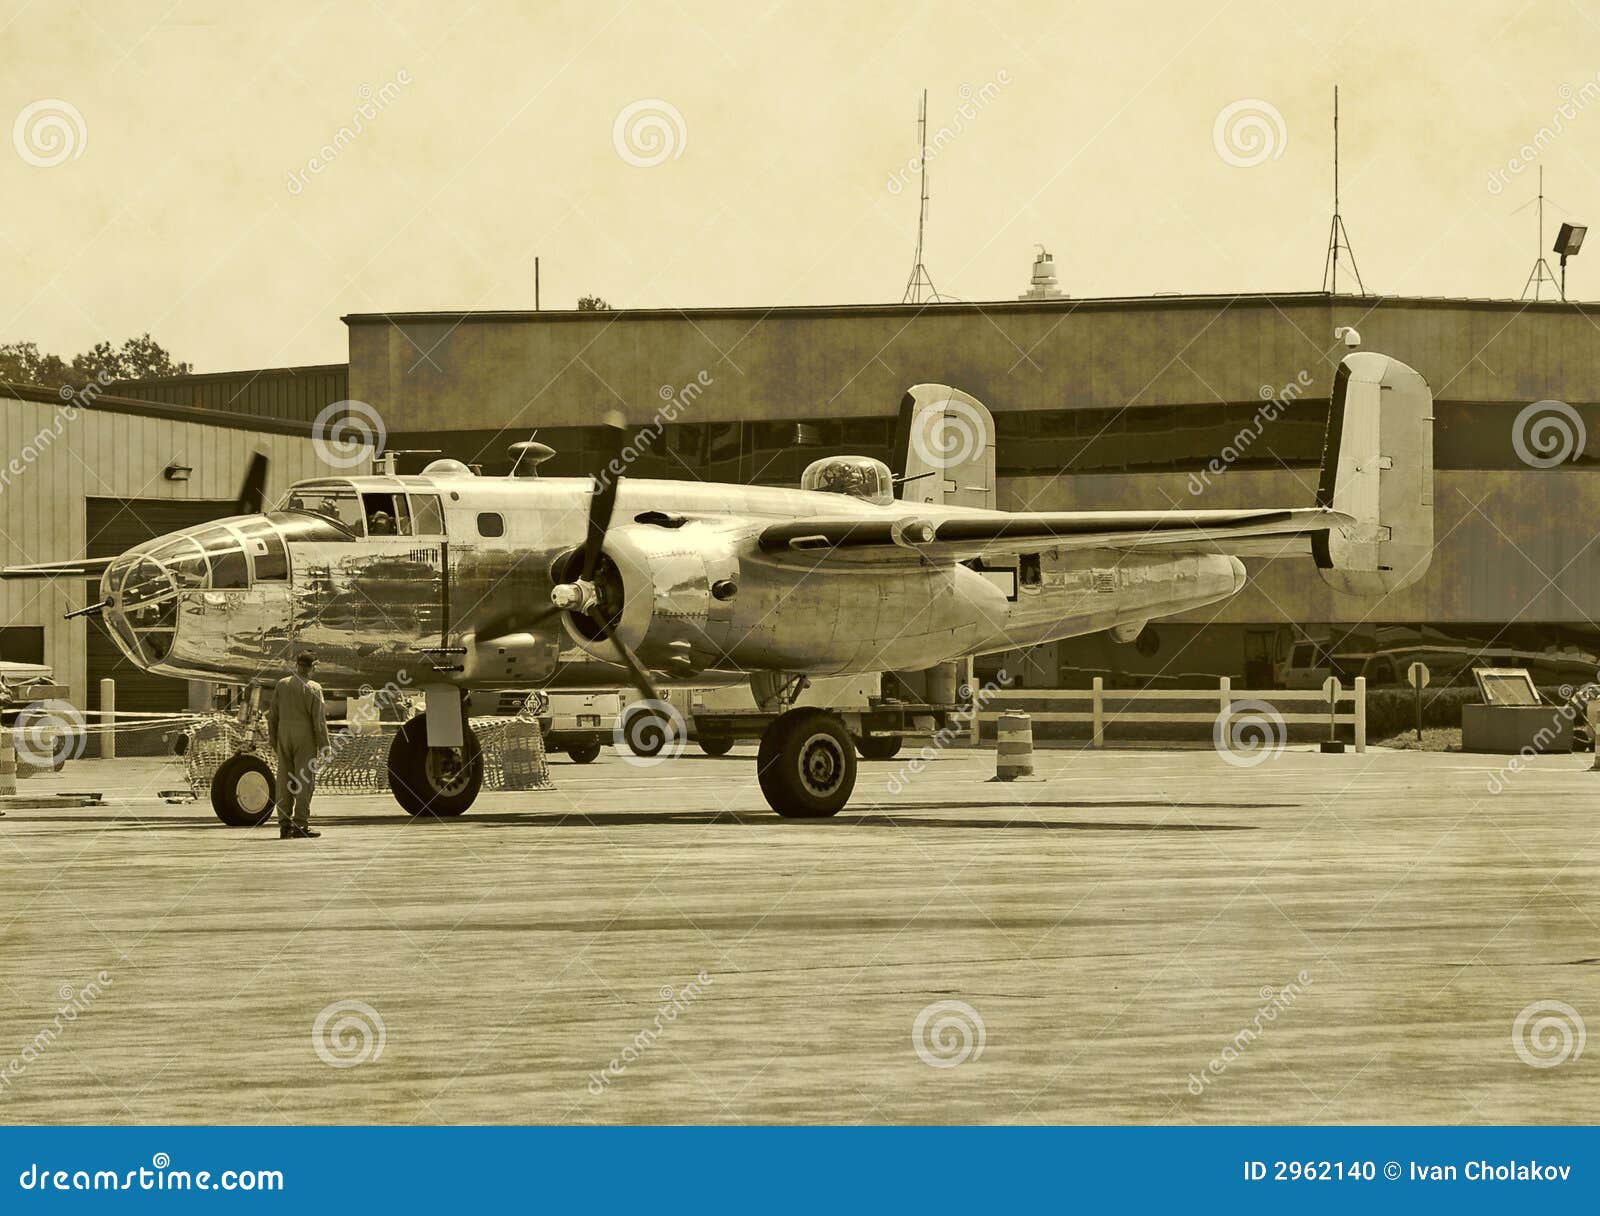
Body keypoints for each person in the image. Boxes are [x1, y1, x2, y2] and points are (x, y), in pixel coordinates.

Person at [267, 651, 329, 839]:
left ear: (297, 666)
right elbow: (319, 721)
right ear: (312, 667)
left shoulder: (282, 684)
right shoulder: (314, 688)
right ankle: (301, 824)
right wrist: (324, 745)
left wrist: (273, 740)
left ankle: (284, 826)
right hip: (304, 737)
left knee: (284, 781)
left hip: (284, 735)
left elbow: (272, 716)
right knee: (304, 781)